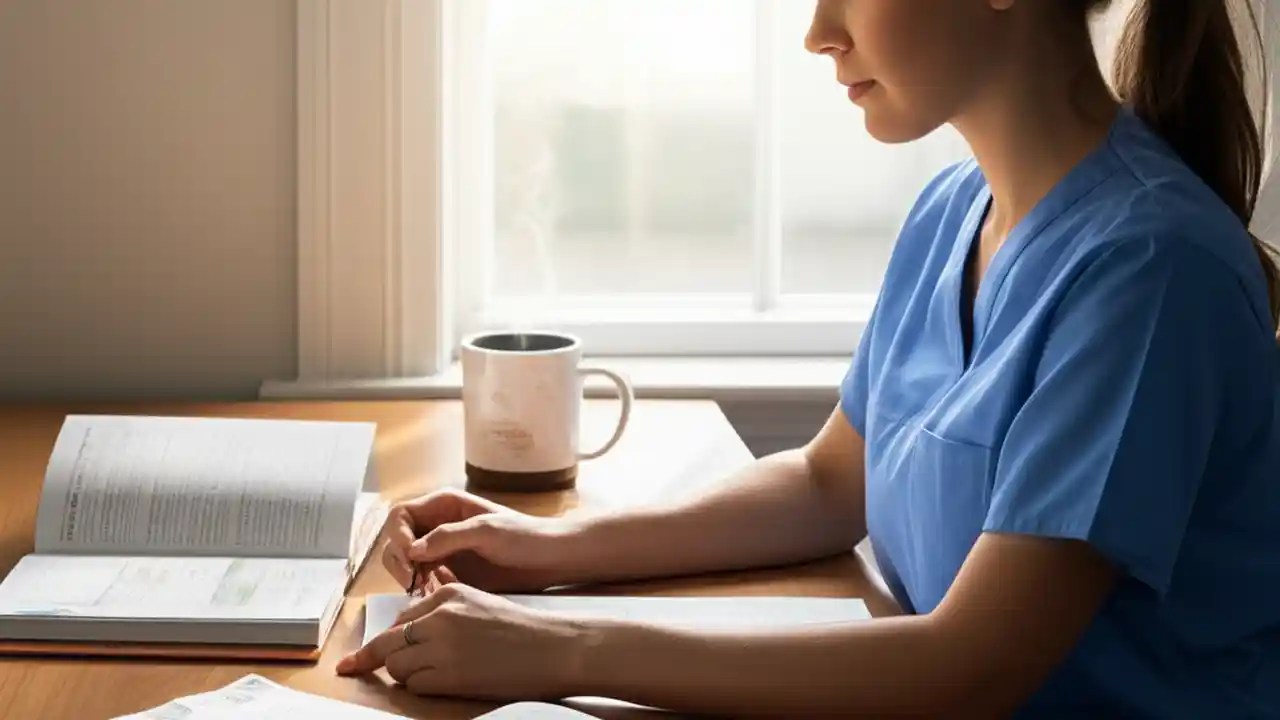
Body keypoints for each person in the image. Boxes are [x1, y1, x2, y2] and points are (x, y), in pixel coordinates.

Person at [338, 0, 1280, 715]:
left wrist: (554, 651)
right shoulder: (954, 209)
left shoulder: (1150, 271)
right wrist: (547, 550)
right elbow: (833, 484)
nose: (817, 31)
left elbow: (977, 664)